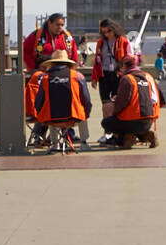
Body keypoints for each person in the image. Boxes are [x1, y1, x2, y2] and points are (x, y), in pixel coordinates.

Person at [23, 13, 79, 146]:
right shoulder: (37, 36)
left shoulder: (67, 37)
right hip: (42, 75)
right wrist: (33, 69)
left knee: (65, 101)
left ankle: (66, 134)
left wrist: (72, 70)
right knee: (45, 103)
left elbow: (74, 54)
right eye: (57, 24)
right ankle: (40, 136)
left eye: (62, 25)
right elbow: (25, 51)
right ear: (49, 23)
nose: (60, 27)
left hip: (64, 74)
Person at [24, 50, 92, 154]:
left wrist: (41, 116)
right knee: (82, 110)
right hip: (72, 118)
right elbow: (86, 100)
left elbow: (39, 102)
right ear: (68, 63)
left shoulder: (45, 78)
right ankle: (84, 143)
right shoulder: (78, 76)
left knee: (50, 109)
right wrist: (86, 113)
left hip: (52, 120)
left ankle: (55, 144)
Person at [100, 54, 161, 149]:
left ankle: (127, 138)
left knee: (106, 122)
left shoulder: (127, 79)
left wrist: (114, 112)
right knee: (136, 123)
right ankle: (146, 135)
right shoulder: (149, 77)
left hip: (131, 121)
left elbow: (121, 104)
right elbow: (159, 100)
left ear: (124, 65)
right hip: (148, 121)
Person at [91, 19, 131, 102]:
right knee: (105, 100)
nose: (107, 34)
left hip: (118, 75)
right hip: (104, 74)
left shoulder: (123, 41)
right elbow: (97, 61)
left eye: (108, 31)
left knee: (117, 100)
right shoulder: (100, 43)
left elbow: (130, 58)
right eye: (103, 32)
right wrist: (94, 78)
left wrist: (128, 74)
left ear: (114, 29)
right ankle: (107, 115)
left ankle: (115, 115)